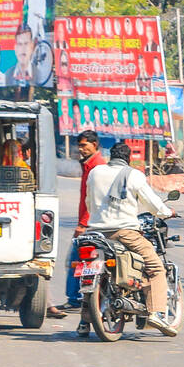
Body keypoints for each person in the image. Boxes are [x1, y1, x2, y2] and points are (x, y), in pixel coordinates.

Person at [85, 142, 177, 335]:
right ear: (128, 159)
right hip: (123, 233)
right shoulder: (134, 174)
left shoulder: (95, 172)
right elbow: (153, 204)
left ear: (111, 156)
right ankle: (157, 313)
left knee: (86, 268)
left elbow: (88, 201)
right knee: (155, 267)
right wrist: (167, 212)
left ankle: (84, 322)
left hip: (94, 232)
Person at [65, 131, 106, 332]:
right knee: (81, 261)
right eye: (79, 146)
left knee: (77, 258)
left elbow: (94, 199)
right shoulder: (89, 164)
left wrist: (82, 224)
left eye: (84, 145)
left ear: (94, 144)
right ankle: (76, 298)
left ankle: (74, 298)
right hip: (89, 221)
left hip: (90, 223)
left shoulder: (97, 167)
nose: (81, 149)